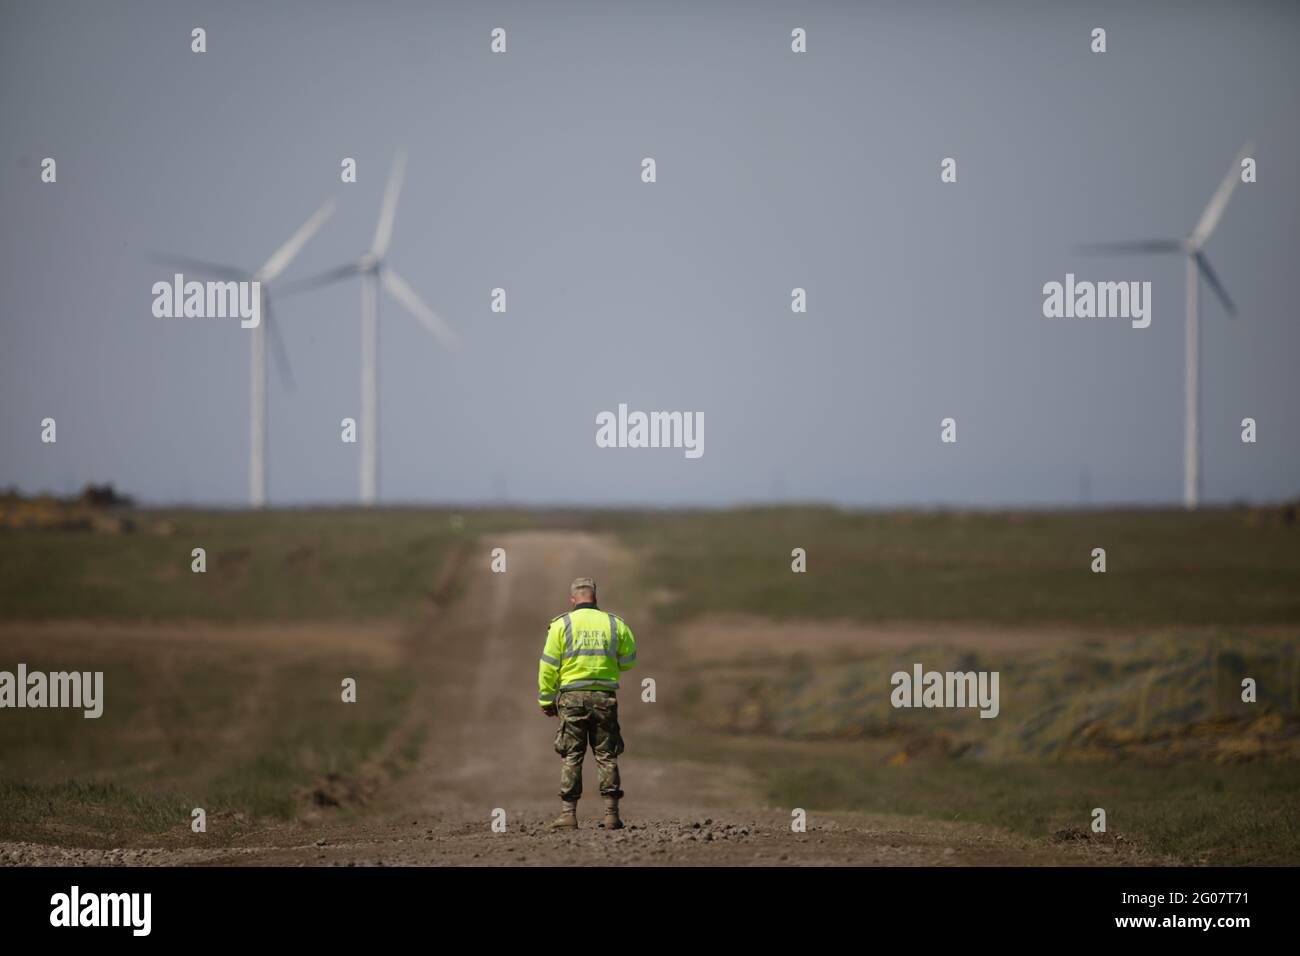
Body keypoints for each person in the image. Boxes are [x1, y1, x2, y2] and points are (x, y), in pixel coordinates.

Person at [537, 576, 637, 829]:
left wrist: (547, 699)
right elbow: (628, 661)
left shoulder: (561, 624)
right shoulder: (615, 624)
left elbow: (548, 665)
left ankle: (568, 815)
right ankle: (612, 814)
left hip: (572, 698)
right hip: (605, 698)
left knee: (572, 755)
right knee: (607, 754)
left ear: (572, 599)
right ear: (595, 597)